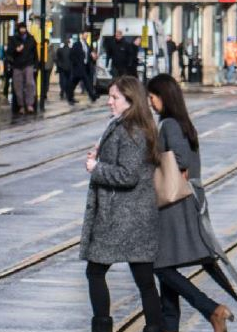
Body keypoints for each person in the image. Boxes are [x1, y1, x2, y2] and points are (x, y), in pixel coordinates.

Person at [146, 75, 237, 332]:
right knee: (167, 270)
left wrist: (152, 158)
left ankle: (211, 309)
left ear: (163, 97)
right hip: (182, 203)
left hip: (174, 206)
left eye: (152, 98)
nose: (151, 103)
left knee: (159, 266)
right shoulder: (181, 122)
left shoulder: (169, 124)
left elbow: (180, 158)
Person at [82, 76, 164, 332]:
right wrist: (100, 154)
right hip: (132, 216)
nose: (109, 102)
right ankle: (154, 326)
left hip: (122, 216)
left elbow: (128, 175)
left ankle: (103, 327)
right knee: (144, 279)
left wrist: (96, 168)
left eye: (115, 97)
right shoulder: (130, 125)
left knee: (96, 272)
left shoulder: (131, 131)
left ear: (130, 100)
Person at [6, 23, 39, 115]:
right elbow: (8, 53)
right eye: (21, 28)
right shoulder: (13, 39)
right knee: (18, 86)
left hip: (28, 64)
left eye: (24, 28)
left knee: (30, 83)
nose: (22, 30)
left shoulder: (31, 39)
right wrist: (16, 50)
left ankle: (29, 104)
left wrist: (36, 65)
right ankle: (21, 106)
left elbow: (35, 54)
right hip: (17, 65)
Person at [70, 35, 97, 103]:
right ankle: (92, 96)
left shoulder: (87, 45)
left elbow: (89, 55)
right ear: (81, 36)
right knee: (85, 81)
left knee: (77, 82)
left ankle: (70, 95)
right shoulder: (76, 44)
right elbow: (72, 55)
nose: (86, 37)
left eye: (87, 36)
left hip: (85, 67)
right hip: (79, 67)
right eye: (85, 35)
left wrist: (93, 57)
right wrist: (76, 63)